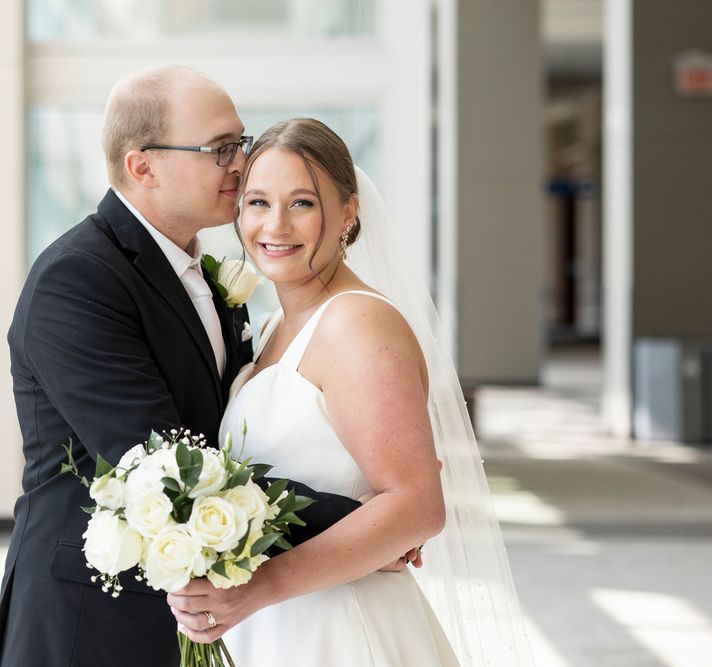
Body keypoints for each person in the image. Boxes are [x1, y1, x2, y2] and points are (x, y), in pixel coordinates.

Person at [0, 70, 361, 667]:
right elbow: (168, 467)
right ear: (143, 167)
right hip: (90, 624)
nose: (242, 164)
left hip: (197, 610)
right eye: (220, 149)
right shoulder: (77, 279)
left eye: (241, 142)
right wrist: (360, 527)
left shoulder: (200, 274)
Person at [168, 118, 533, 665]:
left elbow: (417, 507)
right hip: (273, 627)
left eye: (302, 203)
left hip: (340, 627)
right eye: (259, 202)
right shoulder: (271, 327)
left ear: (348, 212)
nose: (275, 224)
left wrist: (257, 589)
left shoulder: (356, 324)